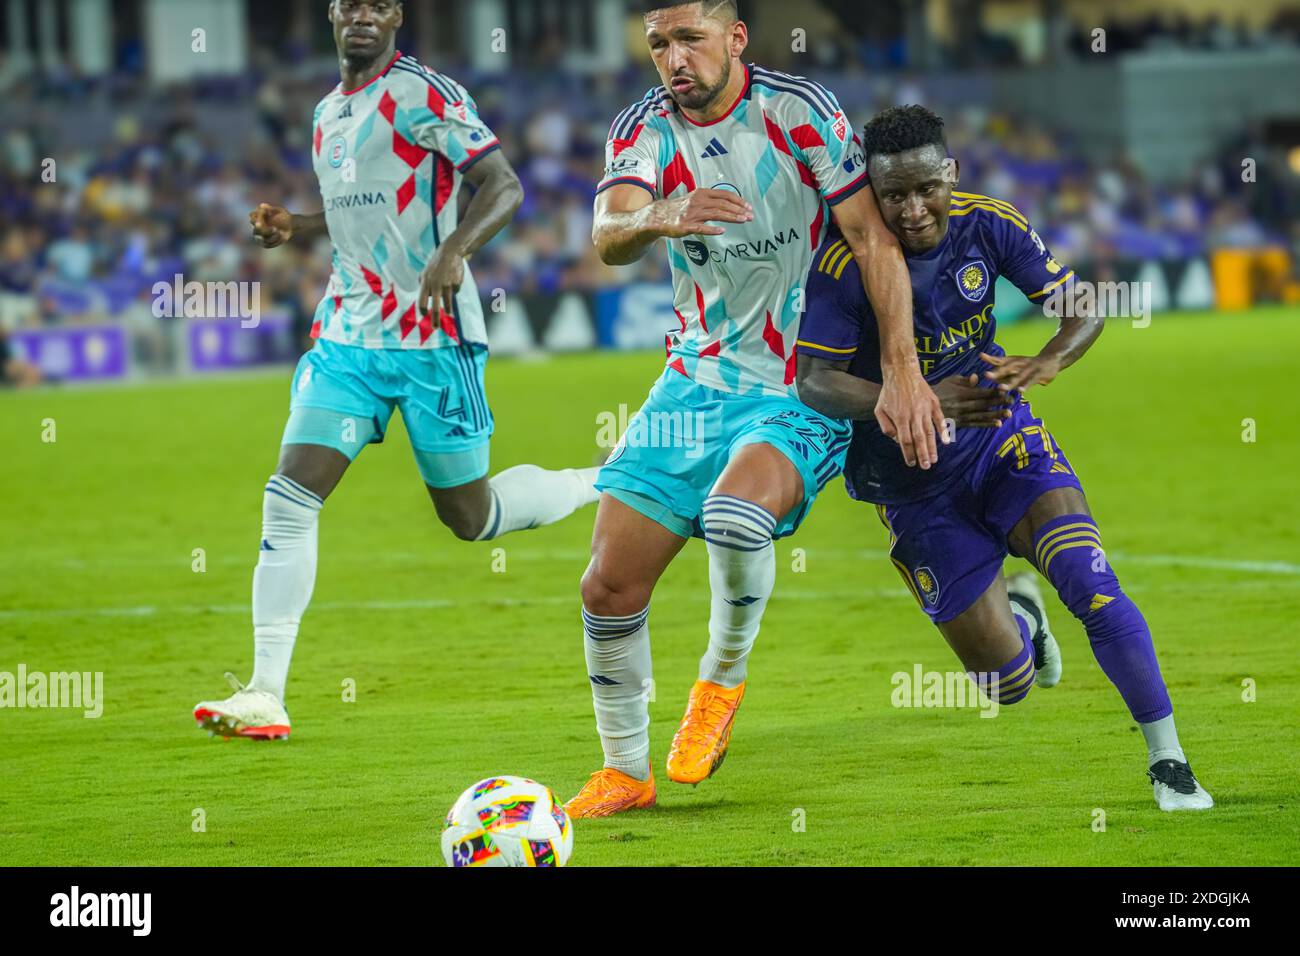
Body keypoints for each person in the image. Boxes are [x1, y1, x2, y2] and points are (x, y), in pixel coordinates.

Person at [565, 1, 944, 818]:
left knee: (738, 518)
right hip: (693, 383)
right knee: (606, 586)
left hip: (800, 380)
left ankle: (720, 681)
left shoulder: (799, 111)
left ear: (735, 39)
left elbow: (873, 238)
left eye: (690, 39)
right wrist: (664, 212)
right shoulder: (643, 127)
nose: (674, 58)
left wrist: (904, 374)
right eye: (659, 43)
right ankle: (626, 772)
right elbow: (608, 231)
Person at [193, 0, 599, 740]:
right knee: (290, 494)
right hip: (349, 337)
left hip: (434, 341)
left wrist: (454, 253)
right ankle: (265, 692)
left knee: (468, 517)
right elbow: (358, 213)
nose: (363, 16)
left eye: (380, 5)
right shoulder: (326, 115)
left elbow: (503, 185)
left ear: (397, 18)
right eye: (352, 2)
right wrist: (299, 225)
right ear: (332, 13)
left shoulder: (426, 95)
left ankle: (596, 482)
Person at [795, 105, 1212, 811]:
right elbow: (814, 382)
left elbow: (1084, 305)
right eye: (893, 194)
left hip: (1002, 442)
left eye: (928, 187)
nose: (914, 208)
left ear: (950, 173)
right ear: (873, 190)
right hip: (912, 486)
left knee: (1092, 583)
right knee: (1006, 683)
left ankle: (1169, 762)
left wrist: (1050, 359)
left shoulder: (991, 224)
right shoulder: (844, 261)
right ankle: (1025, 617)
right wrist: (921, 399)